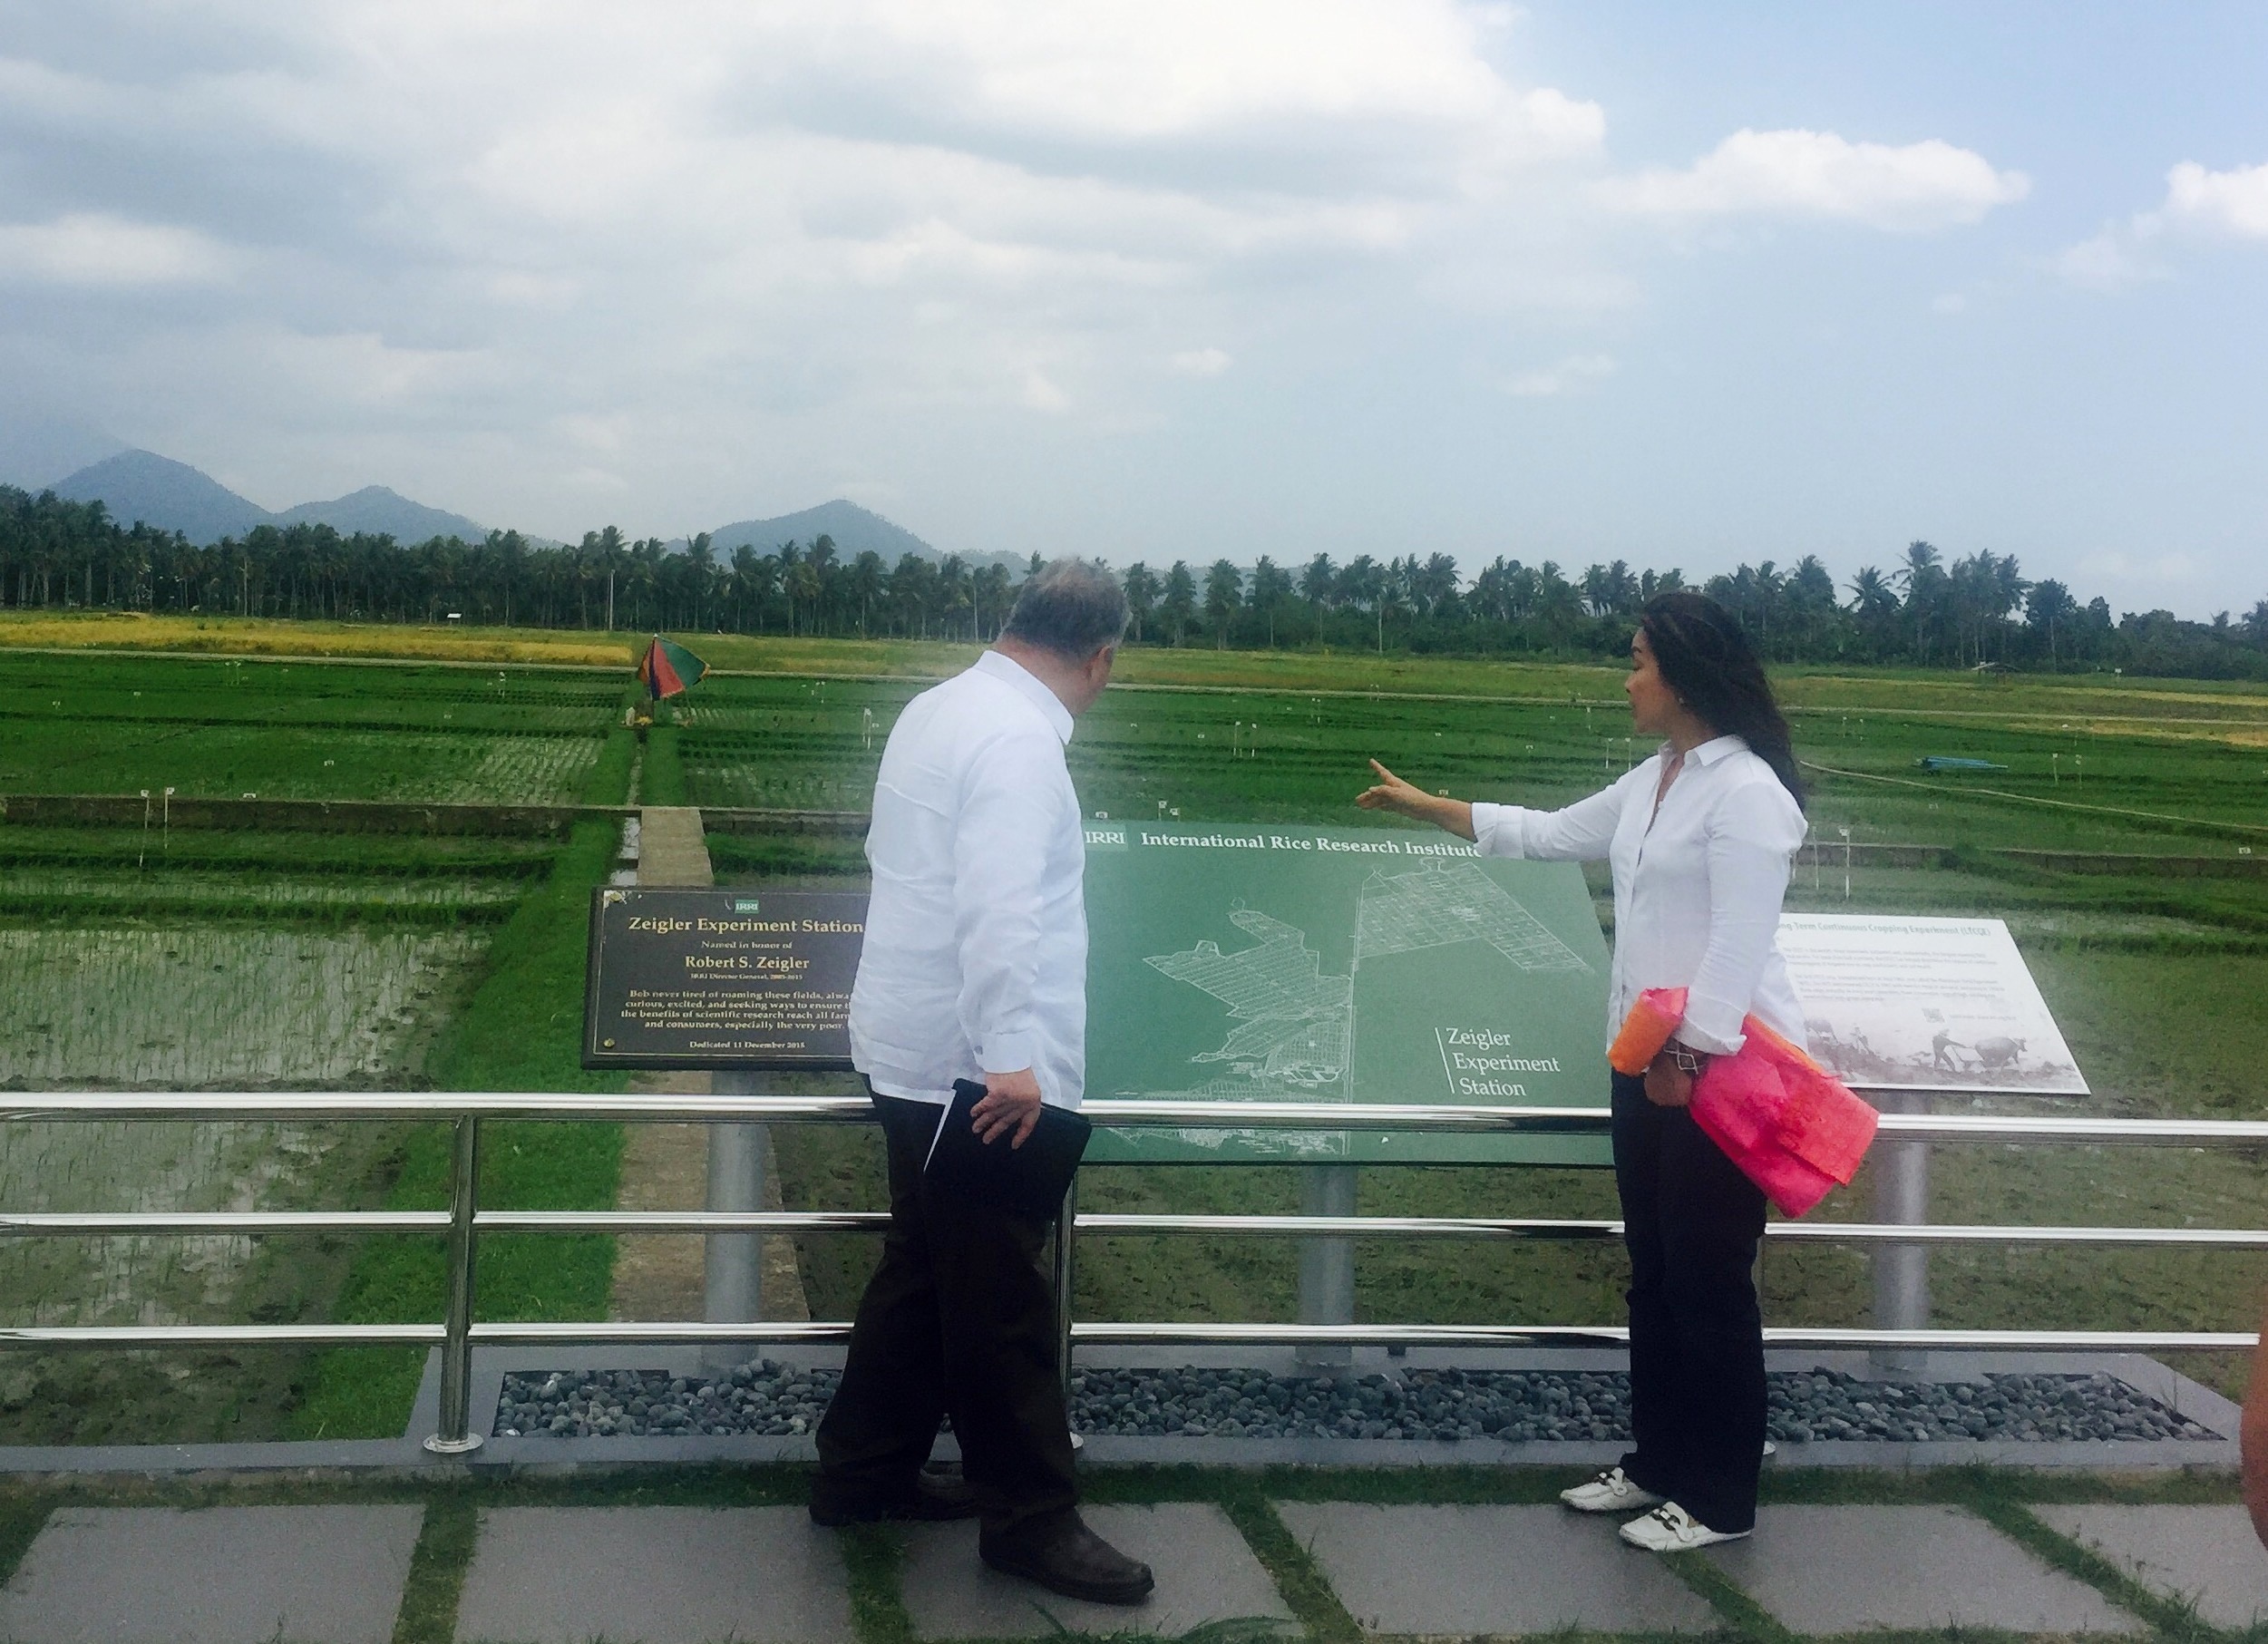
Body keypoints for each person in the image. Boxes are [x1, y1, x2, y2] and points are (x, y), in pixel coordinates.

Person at [1358, 589, 1807, 1552]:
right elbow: (1547, 831)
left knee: (1709, 1283)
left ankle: (1720, 1496)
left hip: (1711, 1079)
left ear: (1683, 677)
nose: (1627, 675)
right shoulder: (1657, 780)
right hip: (1644, 1067)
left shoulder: (1747, 794)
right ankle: (1656, 1463)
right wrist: (1420, 804)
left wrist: (1687, 1061)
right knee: (1652, 1276)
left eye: (1638, 659)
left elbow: (1738, 944)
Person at [811, 558, 1154, 1607]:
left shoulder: (940, 705)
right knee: (1001, 1295)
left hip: (912, 1048)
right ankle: (1030, 1521)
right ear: (1099, 658)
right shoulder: (1016, 742)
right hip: (976, 1072)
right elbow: (999, 907)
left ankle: (862, 1474)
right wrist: (1009, 1057)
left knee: (922, 1267)